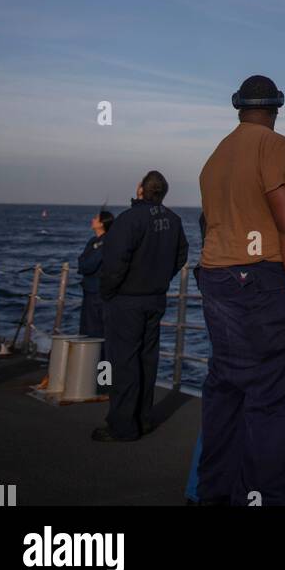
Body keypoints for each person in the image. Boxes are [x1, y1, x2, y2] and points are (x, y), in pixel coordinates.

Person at [197, 75, 285, 507]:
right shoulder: (278, 148)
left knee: (227, 393)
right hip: (264, 283)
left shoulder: (216, 157)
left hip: (217, 280)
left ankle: (215, 495)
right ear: (277, 107)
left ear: (238, 106)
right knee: (276, 402)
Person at [93, 172, 188, 443]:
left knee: (123, 363)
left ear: (140, 190)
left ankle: (122, 426)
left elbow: (114, 262)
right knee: (148, 360)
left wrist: (109, 292)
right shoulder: (174, 220)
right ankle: (142, 419)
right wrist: (160, 279)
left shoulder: (129, 220)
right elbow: (181, 255)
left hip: (126, 300)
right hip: (155, 298)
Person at [77, 209, 114, 337]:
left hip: (98, 291)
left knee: (95, 329)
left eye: (96, 218)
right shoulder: (93, 241)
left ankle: (99, 357)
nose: (93, 219)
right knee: (87, 327)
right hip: (89, 290)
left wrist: (84, 265)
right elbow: (82, 262)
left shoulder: (106, 242)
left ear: (102, 223)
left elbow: (88, 264)